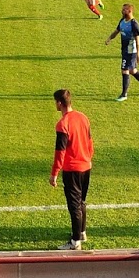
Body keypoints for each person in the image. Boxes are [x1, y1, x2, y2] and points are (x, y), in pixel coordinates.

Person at [49, 88, 92, 250]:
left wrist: (54, 174)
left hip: (72, 170)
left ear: (59, 103)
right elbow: (90, 142)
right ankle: (82, 232)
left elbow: (60, 152)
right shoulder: (83, 117)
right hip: (86, 166)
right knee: (81, 201)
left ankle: (75, 242)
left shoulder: (62, 124)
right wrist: (87, 158)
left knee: (74, 205)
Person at [105, 3, 139, 100]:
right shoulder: (122, 21)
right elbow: (117, 31)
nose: (122, 11)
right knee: (132, 70)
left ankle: (124, 95)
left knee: (124, 70)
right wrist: (110, 38)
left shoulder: (134, 24)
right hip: (124, 50)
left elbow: (138, 41)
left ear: (130, 11)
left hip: (131, 51)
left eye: (124, 10)